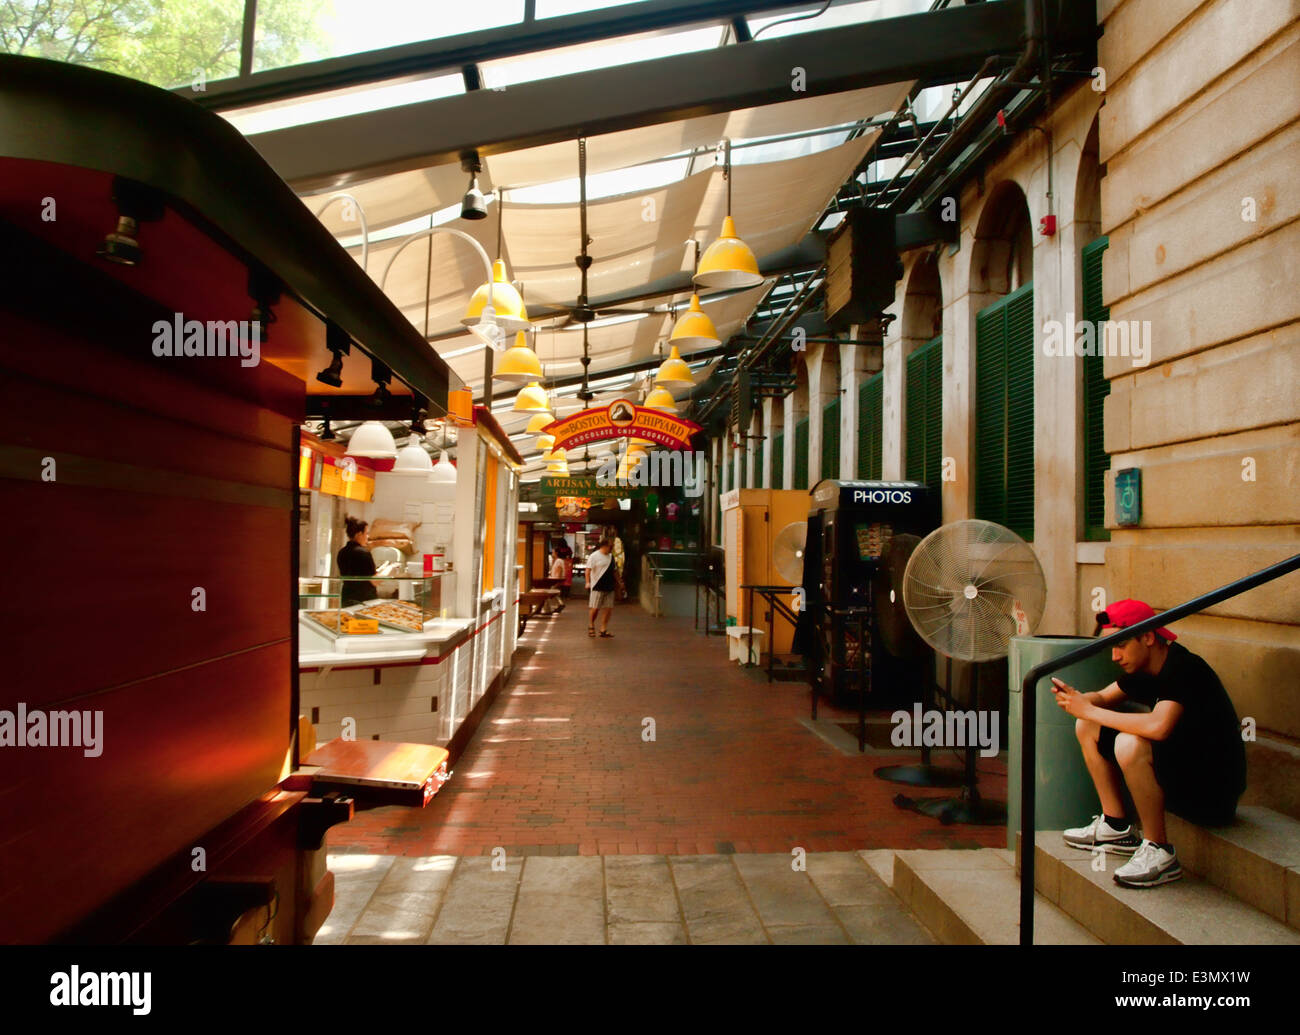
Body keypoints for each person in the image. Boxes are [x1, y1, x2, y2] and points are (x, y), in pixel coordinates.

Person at [1052, 599, 1246, 889]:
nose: (1115, 656)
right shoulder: (1146, 670)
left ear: (1148, 637)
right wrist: (1078, 700)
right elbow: (1103, 698)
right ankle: (1116, 826)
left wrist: (1089, 710)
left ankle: (1160, 850)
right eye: (1111, 647)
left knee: (1129, 743)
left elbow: (1158, 726)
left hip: (1212, 793)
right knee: (1087, 725)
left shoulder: (1184, 668)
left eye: (1121, 645)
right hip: (1182, 776)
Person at [337, 515, 378, 607]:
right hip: (363, 602)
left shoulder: (342, 552)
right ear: (359, 534)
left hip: (346, 599)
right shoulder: (363, 553)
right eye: (366, 534)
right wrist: (390, 569)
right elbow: (374, 581)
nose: (368, 537)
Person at [586, 538, 617, 638]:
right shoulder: (594, 556)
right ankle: (591, 625)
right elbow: (588, 570)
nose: (611, 548)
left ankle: (603, 629)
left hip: (609, 586)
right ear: (604, 546)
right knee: (595, 608)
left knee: (608, 608)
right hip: (597, 585)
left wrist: (620, 583)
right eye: (610, 546)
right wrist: (588, 582)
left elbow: (614, 571)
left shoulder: (611, 557)